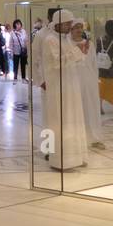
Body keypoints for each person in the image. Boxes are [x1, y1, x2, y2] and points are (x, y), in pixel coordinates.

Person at [37, 10, 89, 170]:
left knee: (73, 118)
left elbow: (72, 59)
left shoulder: (65, 39)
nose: (70, 26)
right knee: (59, 120)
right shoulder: (49, 39)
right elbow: (57, 62)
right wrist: (77, 51)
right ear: (58, 23)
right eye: (68, 23)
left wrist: (82, 52)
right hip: (57, 87)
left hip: (70, 85)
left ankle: (76, 157)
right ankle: (60, 159)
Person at [73, 20, 104, 150]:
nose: (79, 30)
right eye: (76, 27)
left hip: (89, 81)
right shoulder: (67, 45)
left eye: (81, 27)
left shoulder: (89, 44)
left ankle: (95, 138)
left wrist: (95, 79)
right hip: (74, 81)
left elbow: (93, 63)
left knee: (91, 108)